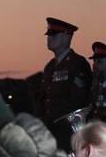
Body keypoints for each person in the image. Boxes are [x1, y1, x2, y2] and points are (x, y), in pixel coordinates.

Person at [36, 18, 91, 148]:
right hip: (49, 129)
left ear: (66, 37)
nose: (49, 38)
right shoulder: (50, 66)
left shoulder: (77, 63)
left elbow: (79, 100)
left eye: (53, 35)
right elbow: (43, 99)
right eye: (48, 35)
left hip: (67, 131)